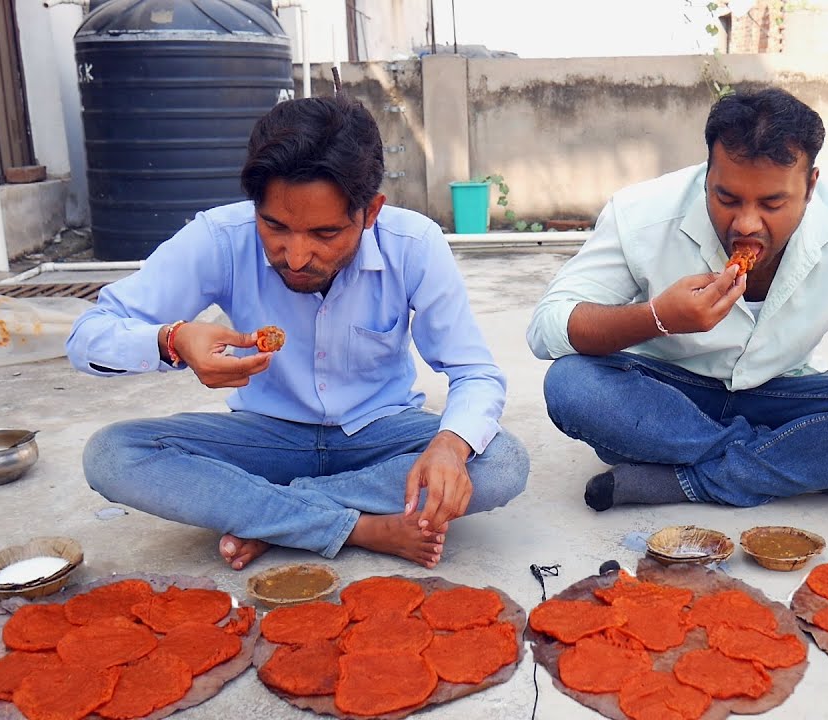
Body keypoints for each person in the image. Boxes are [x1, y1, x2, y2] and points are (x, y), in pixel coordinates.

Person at [67, 96, 528, 570]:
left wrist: (450, 445)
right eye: (275, 226)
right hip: (264, 438)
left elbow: (475, 372)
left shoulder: (413, 245)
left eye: (325, 234)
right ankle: (353, 526)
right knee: (112, 454)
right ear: (256, 207)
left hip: (378, 434)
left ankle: (275, 514)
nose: (296, 256)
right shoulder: (220, 238)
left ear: (370, 212)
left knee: (501, 461)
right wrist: (171, 340)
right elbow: (87, 335)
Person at [526, 87, 828, 512]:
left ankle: (683, 480)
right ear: (706, 176)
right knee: (572, 385)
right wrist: (657, 318)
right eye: (726, 199)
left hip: (781, 394)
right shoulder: (641, 212)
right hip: (669, 398)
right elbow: (549, 326)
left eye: (772, 203)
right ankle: (797, 461)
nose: (746, 224)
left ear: (810, 186)